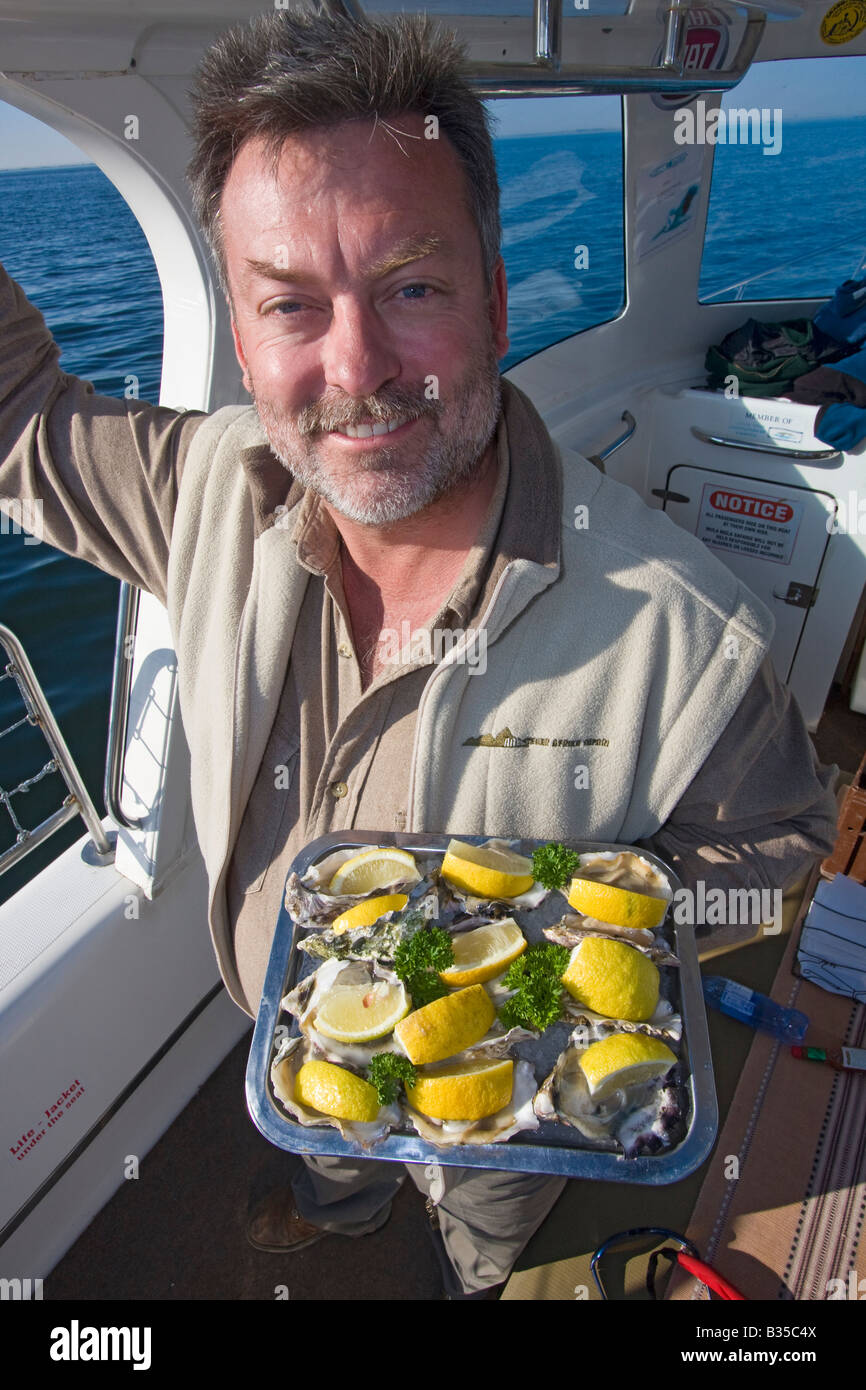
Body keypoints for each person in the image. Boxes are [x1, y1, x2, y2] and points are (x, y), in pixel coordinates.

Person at [0, 10, 837, 1298]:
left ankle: (477, 1268)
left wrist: (578, 926)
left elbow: (775, 854)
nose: (357, 368)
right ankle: (340, 1204)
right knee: (333, 1132)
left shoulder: (691, 636)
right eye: (292, 304)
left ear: (496, 300)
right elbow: (19, 424)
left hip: (516, 1085)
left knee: (490, 1228)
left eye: (412, 288)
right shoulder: (207, 488)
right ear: (242, 340)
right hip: (289, 1013)